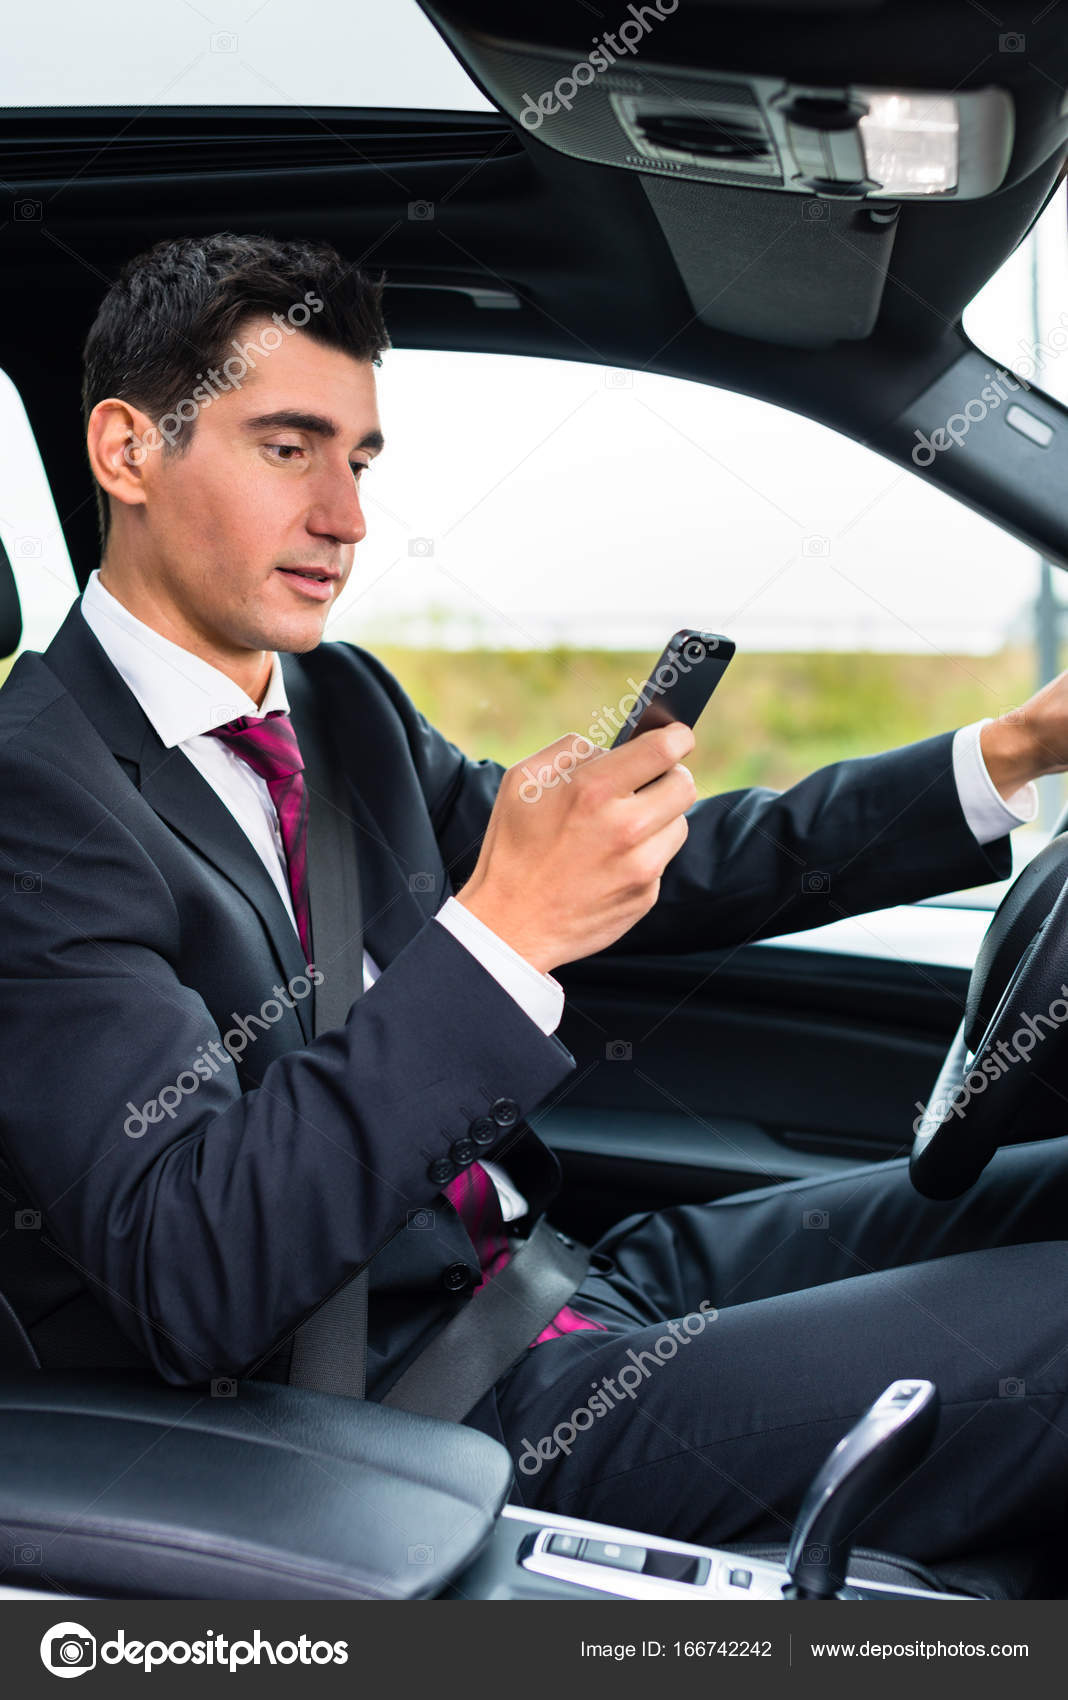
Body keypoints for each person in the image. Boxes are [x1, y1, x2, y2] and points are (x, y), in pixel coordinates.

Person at [2, 231, 1067, 1585]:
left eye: (362, 459)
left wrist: (1010, 753)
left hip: (565, 1284)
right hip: (416, 1417)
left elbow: (649, 871)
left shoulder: (343, 708)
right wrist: (502, 930)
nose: (347, 517)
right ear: (126, 453)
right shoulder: (33, 803)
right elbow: (195, 1265)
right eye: (289, 448)